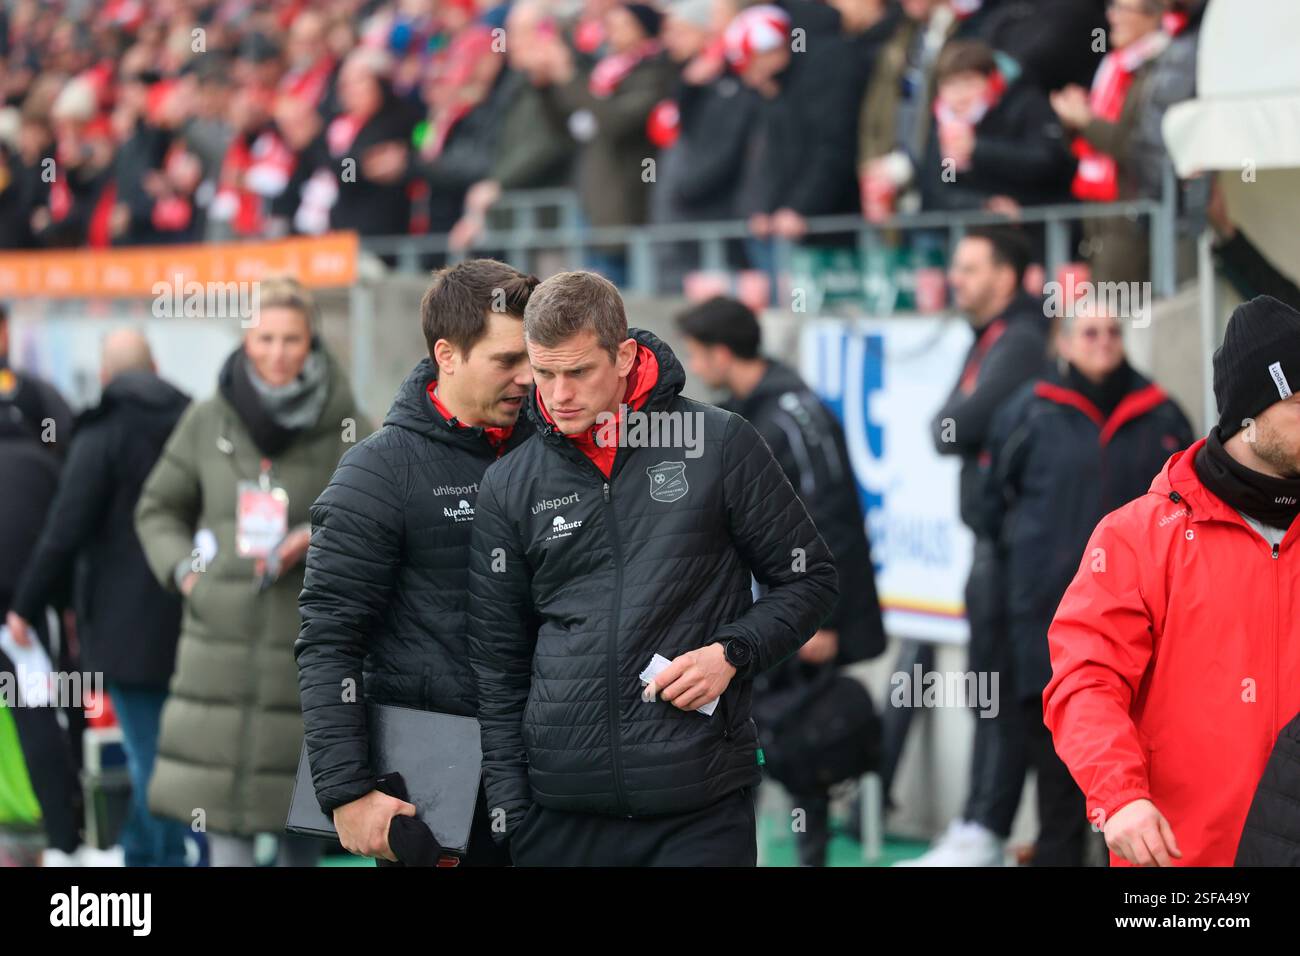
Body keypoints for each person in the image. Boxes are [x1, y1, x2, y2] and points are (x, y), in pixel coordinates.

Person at [467, 271, 838, 866]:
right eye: (544, 373)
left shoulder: (717, 442)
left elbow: (809, 578)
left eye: (578, 371)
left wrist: (731, 653)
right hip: (560, 815)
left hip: (699, 803)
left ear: (624, 357)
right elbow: (497, 662)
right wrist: (515, 809)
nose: (558, 393)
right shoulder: (509, 482)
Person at [296, 260, 537, 866]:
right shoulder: (378, 473)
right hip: (442, 804)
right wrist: (347, 791)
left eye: (534, 356)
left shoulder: (558, 453)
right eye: (508, 360)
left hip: (559, 782)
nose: (530, 377)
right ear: (447, 355)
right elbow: (328, 637)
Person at [1046, 295, 1300, 867]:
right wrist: (1119, 796)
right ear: (1249, 417)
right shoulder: (1139, 536)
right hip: (1185, 864)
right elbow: (1085, 680)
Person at [135, 277, 368, 867]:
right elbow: (157, 507)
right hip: (216, 660)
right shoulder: (207, 418)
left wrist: (316, 537)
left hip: (307, 658)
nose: (278, 352)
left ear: (311, 341)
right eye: (265, 337)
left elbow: (379, 517)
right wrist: (188, 575)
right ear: (246, 338)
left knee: (300, 846)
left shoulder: (347, 422)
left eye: (292, 339)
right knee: (226, 846)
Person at [676, 294, 886, 865]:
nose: (695, 366)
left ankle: (807, 856)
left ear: (722, 352)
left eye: (698, 353)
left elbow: (831, 520)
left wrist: (819, 617)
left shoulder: (781, 416)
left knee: (802, 739)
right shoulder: (773, 405)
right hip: (778, 612)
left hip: (800, 616)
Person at [979, 306, 1192, 865]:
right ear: (1065, 343)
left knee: (1146, 802)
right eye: (1090, 333)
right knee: (1060, 802)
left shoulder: (1163, 413)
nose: (1103, 342)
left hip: (1145, 637)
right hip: (1050, 633)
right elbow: (986, 509)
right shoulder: (1025, 412)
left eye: (1113, 332)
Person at [8, 330, 192, 867]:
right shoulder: (196, 422)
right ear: (156, 366)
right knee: (166, 753)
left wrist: (25, 604)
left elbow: (63, 530)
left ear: (106, 377)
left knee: (145, 755)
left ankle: (155, 861)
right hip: (194, 619)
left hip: (124, 629)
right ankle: (156, 852)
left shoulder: (102, 432)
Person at [904, 226, 1048, 866]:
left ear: (1008, 275)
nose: (955, 279)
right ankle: (978, 826)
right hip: (993, 552)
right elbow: (950, 425)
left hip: (1014, 558)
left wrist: (957, 417)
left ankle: (985, 830)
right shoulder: (991, 337)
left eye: (969, 267)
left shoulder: (1018, 340)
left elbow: (952, 425)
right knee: (991, 689)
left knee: (1005, 693)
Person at [1049, 0, 1171, 286]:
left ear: (1153, 16)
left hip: (1132, 214)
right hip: (1101, 213)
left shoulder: (1158, 70)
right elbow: (1088, 147)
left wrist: (1085, 121)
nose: (1112, 17)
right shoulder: (1114, 65)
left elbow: (1136, 145)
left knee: (1121, 310)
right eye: (1112, 8)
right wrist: (1073, 122)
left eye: (1123, 9)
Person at [919, 40, 1074, 214]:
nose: (959, 95)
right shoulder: (945, 124)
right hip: (975, 226)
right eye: (950, 84)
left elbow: (1047, 163)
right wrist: (983, 205)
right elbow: (939, 190)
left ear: (991, 81)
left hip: (1035, 222)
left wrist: (978, 149)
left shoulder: (1025, 105)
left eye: (968, 82)